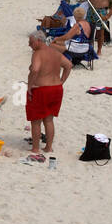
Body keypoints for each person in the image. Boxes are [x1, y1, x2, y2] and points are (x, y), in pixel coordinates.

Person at [25, 31, 72, 161]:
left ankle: (35, 148)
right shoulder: (55, 53)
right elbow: (68, 65)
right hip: (56, 89)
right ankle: (48, 147)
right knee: (49, 119)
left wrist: (29, 86)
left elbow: (35, 69)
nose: (29, 44)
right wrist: (62, 81)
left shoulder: (38, 54)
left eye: (31, 42)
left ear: (39, 41)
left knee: (35, 120)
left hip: (41, 89)